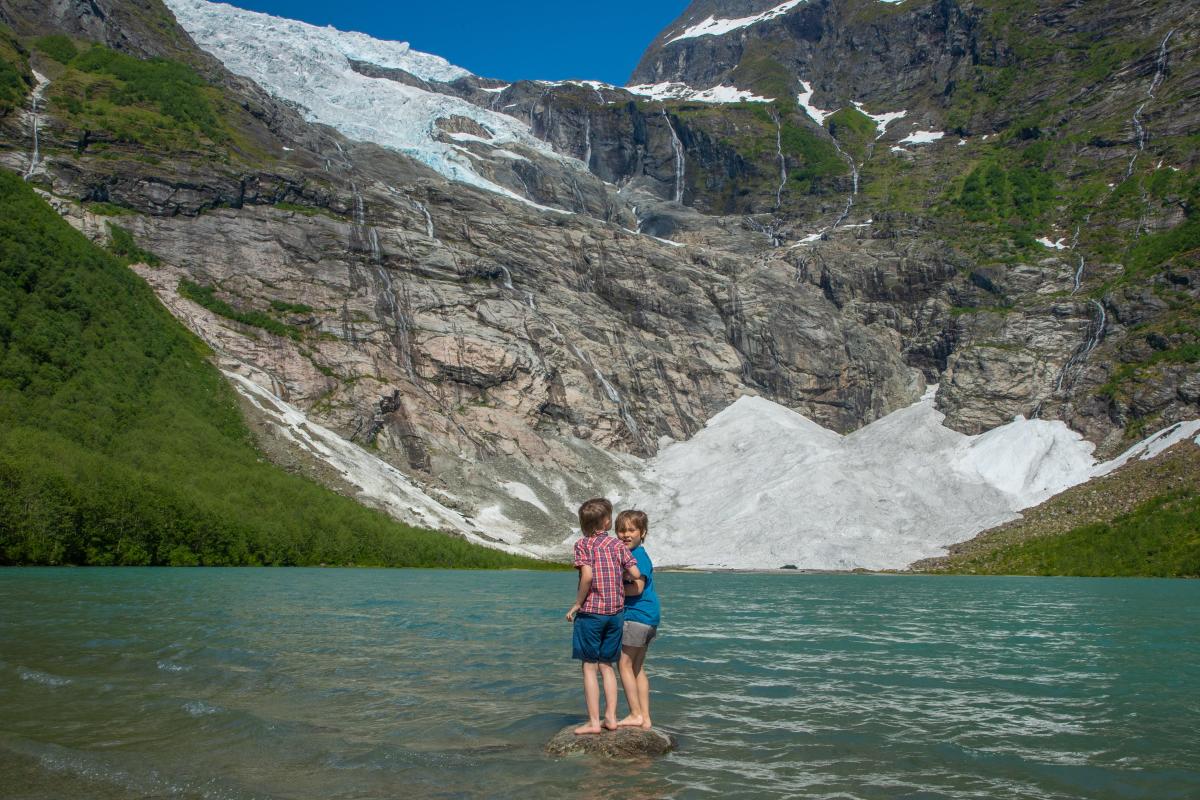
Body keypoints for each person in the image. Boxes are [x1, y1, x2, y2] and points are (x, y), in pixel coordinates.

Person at [566, 497, 641, 736]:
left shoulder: (583, 545)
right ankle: (611, 717)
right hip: (616, 613)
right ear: (607, 522)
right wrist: (623, 579)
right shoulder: (618, 546)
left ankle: (593, 721)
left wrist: (578, 603)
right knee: (607, 666)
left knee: (589, 667)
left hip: (591, 613)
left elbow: (586, 576)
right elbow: (636, 572)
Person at [615, 509, 660, 730]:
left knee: (623, 663)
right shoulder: (637, 554)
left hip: (637, 616)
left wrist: (614, 587)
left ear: (642, 533)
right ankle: (645, 718)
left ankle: (634, 713)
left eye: (631, 530)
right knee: (636, 668)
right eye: (621, 530)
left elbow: (637, 588)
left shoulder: (637, 556)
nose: (625, 534)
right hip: (649, 618)